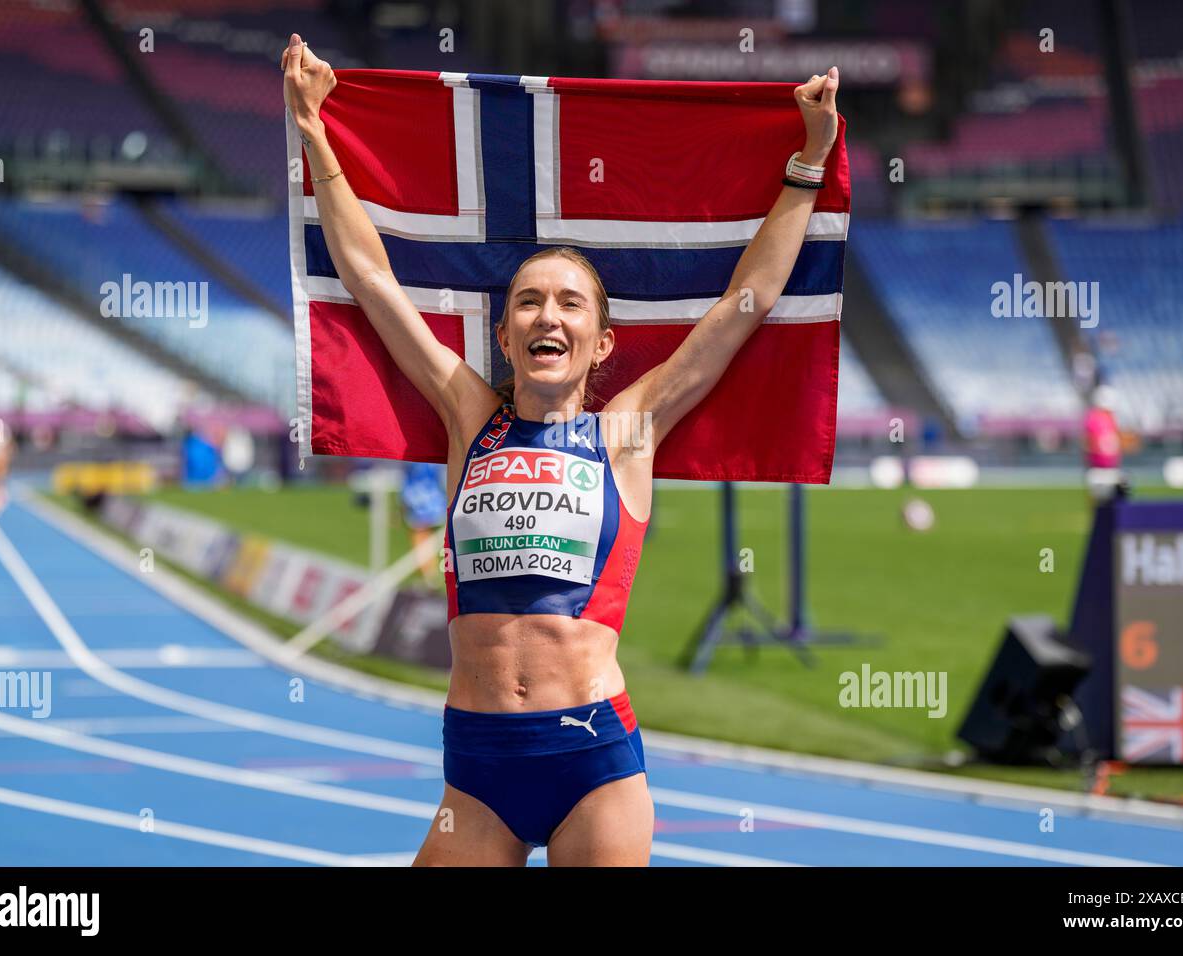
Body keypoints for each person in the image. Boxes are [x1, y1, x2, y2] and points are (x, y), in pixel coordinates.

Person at [283, 33, 842, 865]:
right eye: (530, 303)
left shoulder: (629, 430)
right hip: (475, 768)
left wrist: (809, 160)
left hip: (592, 763)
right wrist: (314, 130)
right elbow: (371, 282)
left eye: (571, 304)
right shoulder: (468, 416)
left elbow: (742, 307)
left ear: (603, 340)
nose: (550, 316)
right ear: (503, 336)